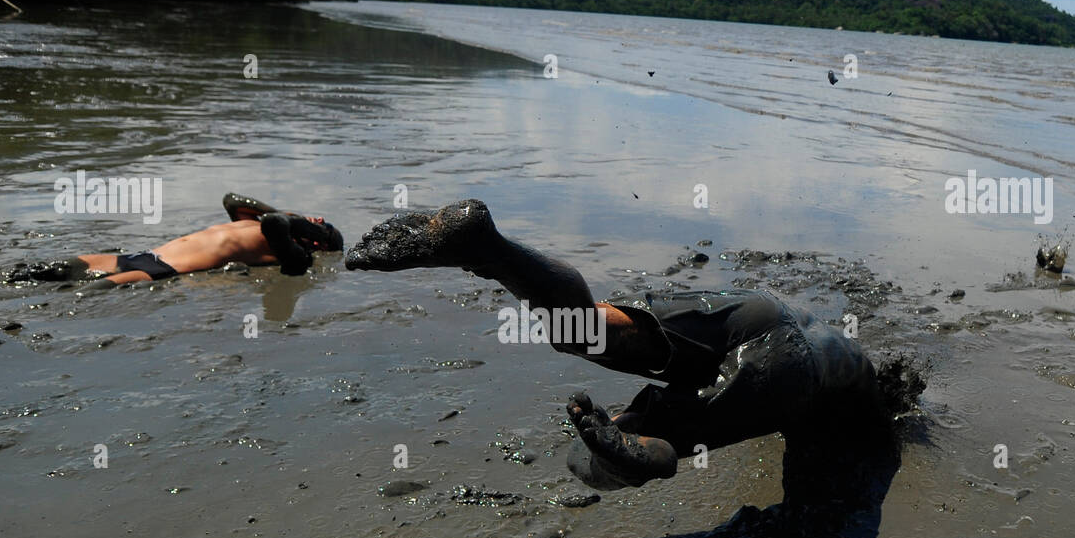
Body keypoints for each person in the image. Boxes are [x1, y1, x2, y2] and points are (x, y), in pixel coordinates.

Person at [344, 199, 893, 494]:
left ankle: (489, 250)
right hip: (792, 374)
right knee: (600, 455)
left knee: (586, 326)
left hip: (756, 306)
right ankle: (639, 445)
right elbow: (857, 432)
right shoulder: (867, 403)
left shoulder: (841, 339)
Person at [4, 193, 342, 287]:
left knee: (80, 293)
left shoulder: (293, 254)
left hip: (165, 270)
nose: (314, 217)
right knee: (49, 270)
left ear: (319, 242)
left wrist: (304, 227)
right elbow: (232, 199)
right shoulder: (250, 222)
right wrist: (299, 219)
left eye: (321, 223)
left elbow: (274, 223)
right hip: (140, 254)